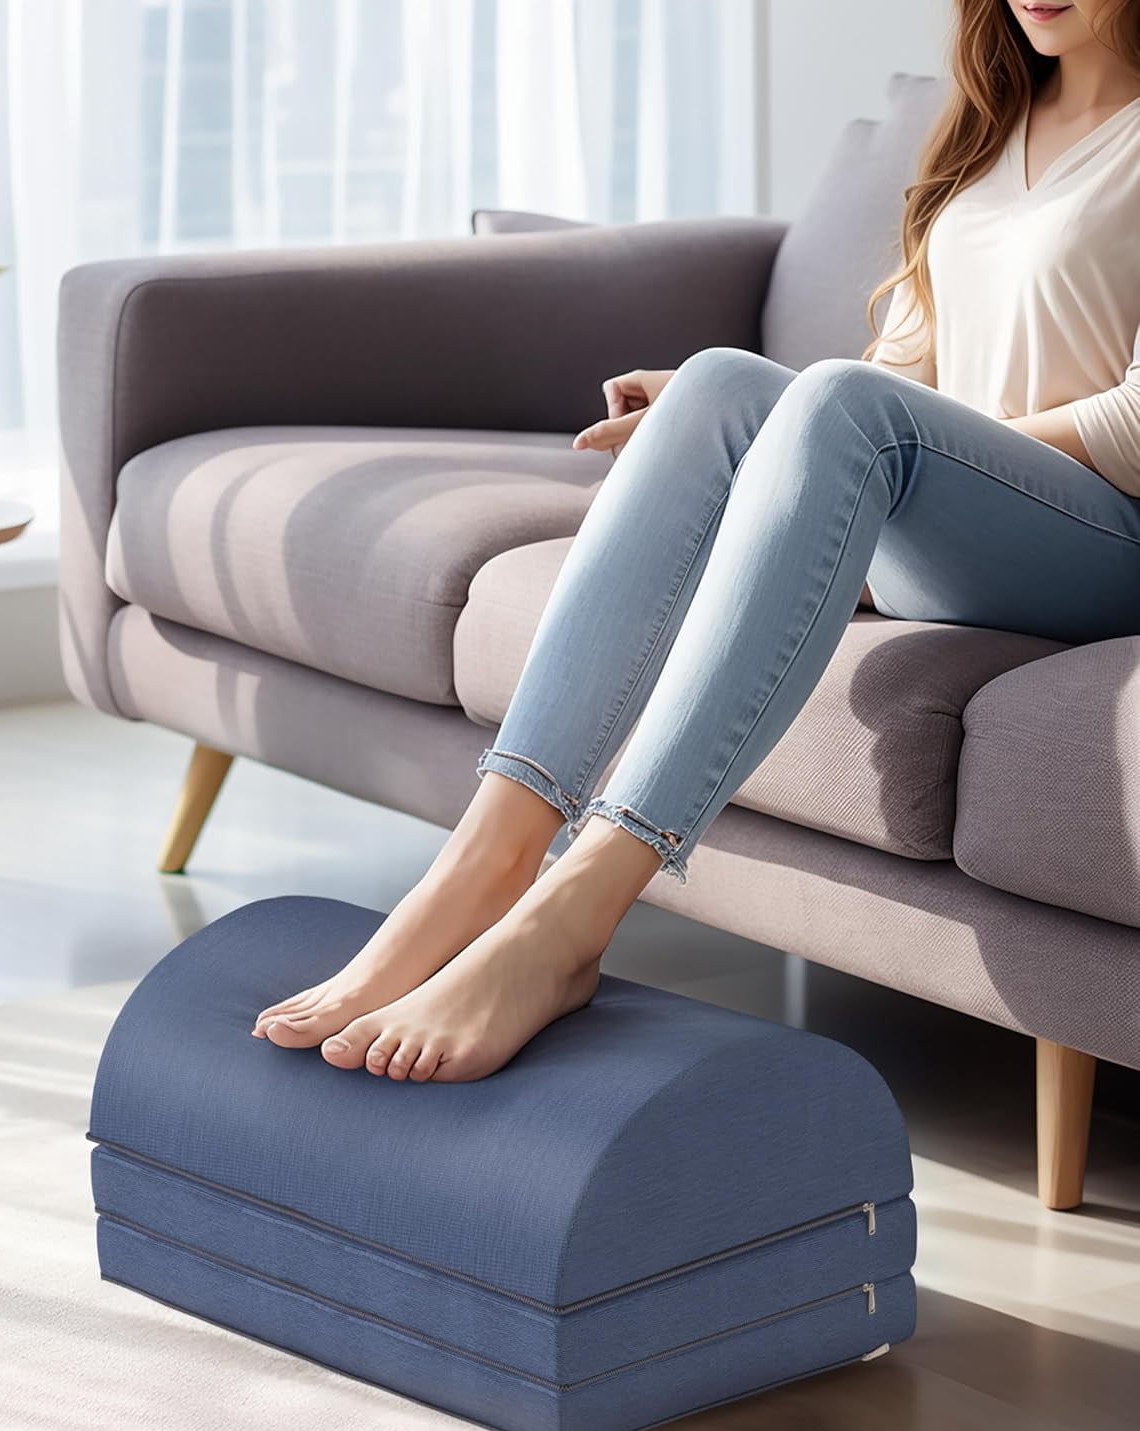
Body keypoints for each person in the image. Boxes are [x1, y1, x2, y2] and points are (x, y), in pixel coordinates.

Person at [253, 0, 1140, 1083]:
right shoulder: (995, 115)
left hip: (1102, 547)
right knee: (722, 383)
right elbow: (908, 373)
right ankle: (481, 867)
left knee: (833, 408)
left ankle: (570, 918)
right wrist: (746, 430)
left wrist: (829, 437)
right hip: (961, 538)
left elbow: (1128, 429)